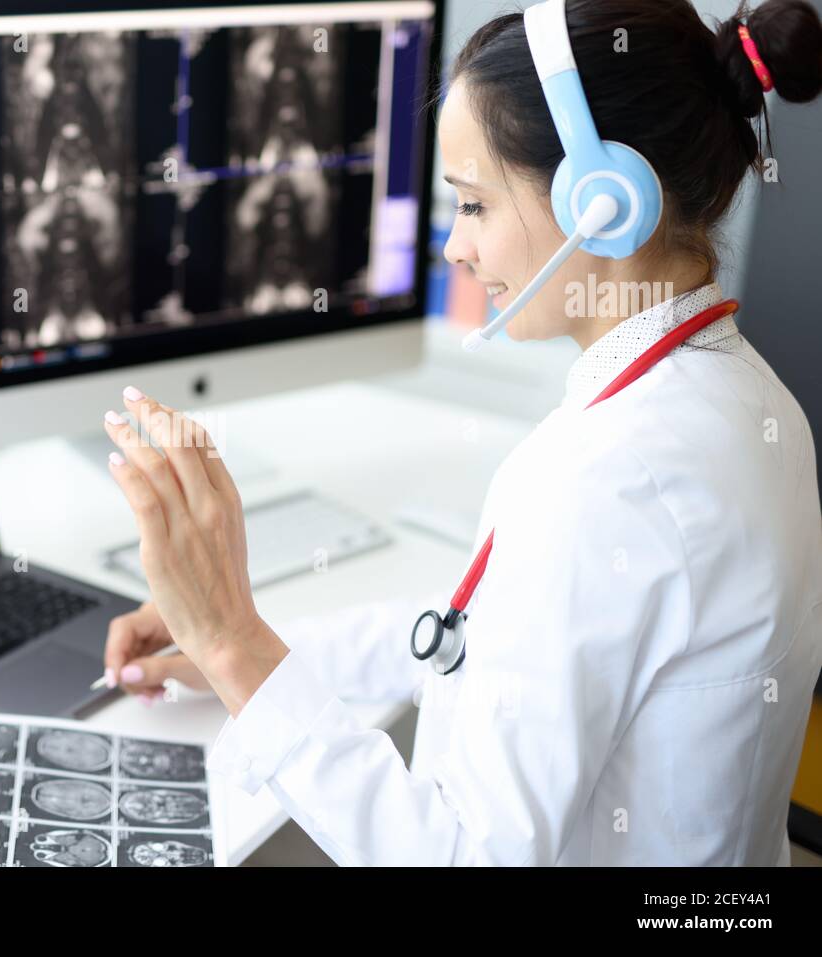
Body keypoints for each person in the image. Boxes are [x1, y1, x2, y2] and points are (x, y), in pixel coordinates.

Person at [98, 0, 822, 865]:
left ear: (605, 200)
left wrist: (232, 644)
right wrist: (242, 640)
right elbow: (481, 636)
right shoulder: (756, 401)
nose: (454, 247)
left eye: (474, 205)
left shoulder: (611, 480)